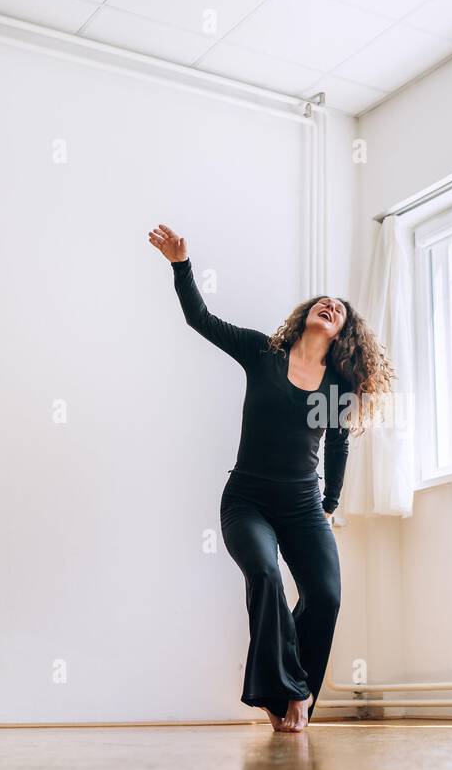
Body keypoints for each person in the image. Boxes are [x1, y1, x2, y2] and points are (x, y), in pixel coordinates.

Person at [149, 224, 393, 732]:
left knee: (325, 596)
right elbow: (201, 319)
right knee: (264, 575)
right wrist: (181, 264)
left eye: (340, 308)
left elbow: (338, 444)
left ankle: (290, 689)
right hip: (248, 501)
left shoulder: (335, 384)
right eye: (322, 302)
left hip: (303, 506)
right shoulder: (263, 356)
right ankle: (288, 691)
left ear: (344, 331)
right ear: (306, 315)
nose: (331, 305)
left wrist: (329, 502)